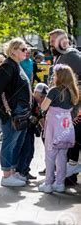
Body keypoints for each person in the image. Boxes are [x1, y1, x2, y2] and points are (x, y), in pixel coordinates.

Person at [0, 38, 32, 187]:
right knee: (9, 143)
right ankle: (6, 175)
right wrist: (4, 113)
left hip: (20, 112)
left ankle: (13, 171)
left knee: (17, 143)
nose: (25, 51)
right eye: (23, 49)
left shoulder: (16, 65)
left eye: (26, 49)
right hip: (12, 113)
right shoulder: (8, 66)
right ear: (13, 50)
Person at [39, 64, 79, 193]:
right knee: (62, 156)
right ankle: (59, 183)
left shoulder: (53, 91)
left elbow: (44, 107)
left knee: (50, 156)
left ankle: (48, 183)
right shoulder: (73, 92)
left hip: (53, 127)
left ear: (59, 76)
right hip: (66, 127)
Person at [49, 29, 81, 185]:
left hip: (72, 109)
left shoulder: (72, 55)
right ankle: (62, 172)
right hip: (62, 108)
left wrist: (76, 98)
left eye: (52, 41)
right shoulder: (61, 55)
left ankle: (69, 173)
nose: (50, 44)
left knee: (68, 138)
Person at [16, 83, 48, 181]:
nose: (43, 99)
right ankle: (20, 172)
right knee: (26, 151)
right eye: (42, 96)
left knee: (30, 151)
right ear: (36, 93)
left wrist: (46, 131)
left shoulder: (37, 104)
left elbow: (40, 118)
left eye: (44, 98)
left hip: (30, 130)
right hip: (25, 129)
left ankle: (25, 171)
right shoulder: (31, 101)